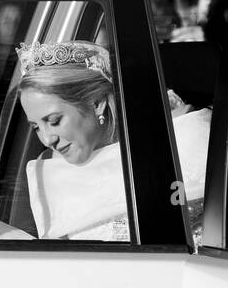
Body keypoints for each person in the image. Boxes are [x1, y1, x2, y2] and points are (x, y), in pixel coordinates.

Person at [18, 40, 209, 241]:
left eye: (54, 121)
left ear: (98, 103)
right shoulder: (51, 170)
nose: (47, 139)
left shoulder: (184, 140)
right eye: (36, 127)